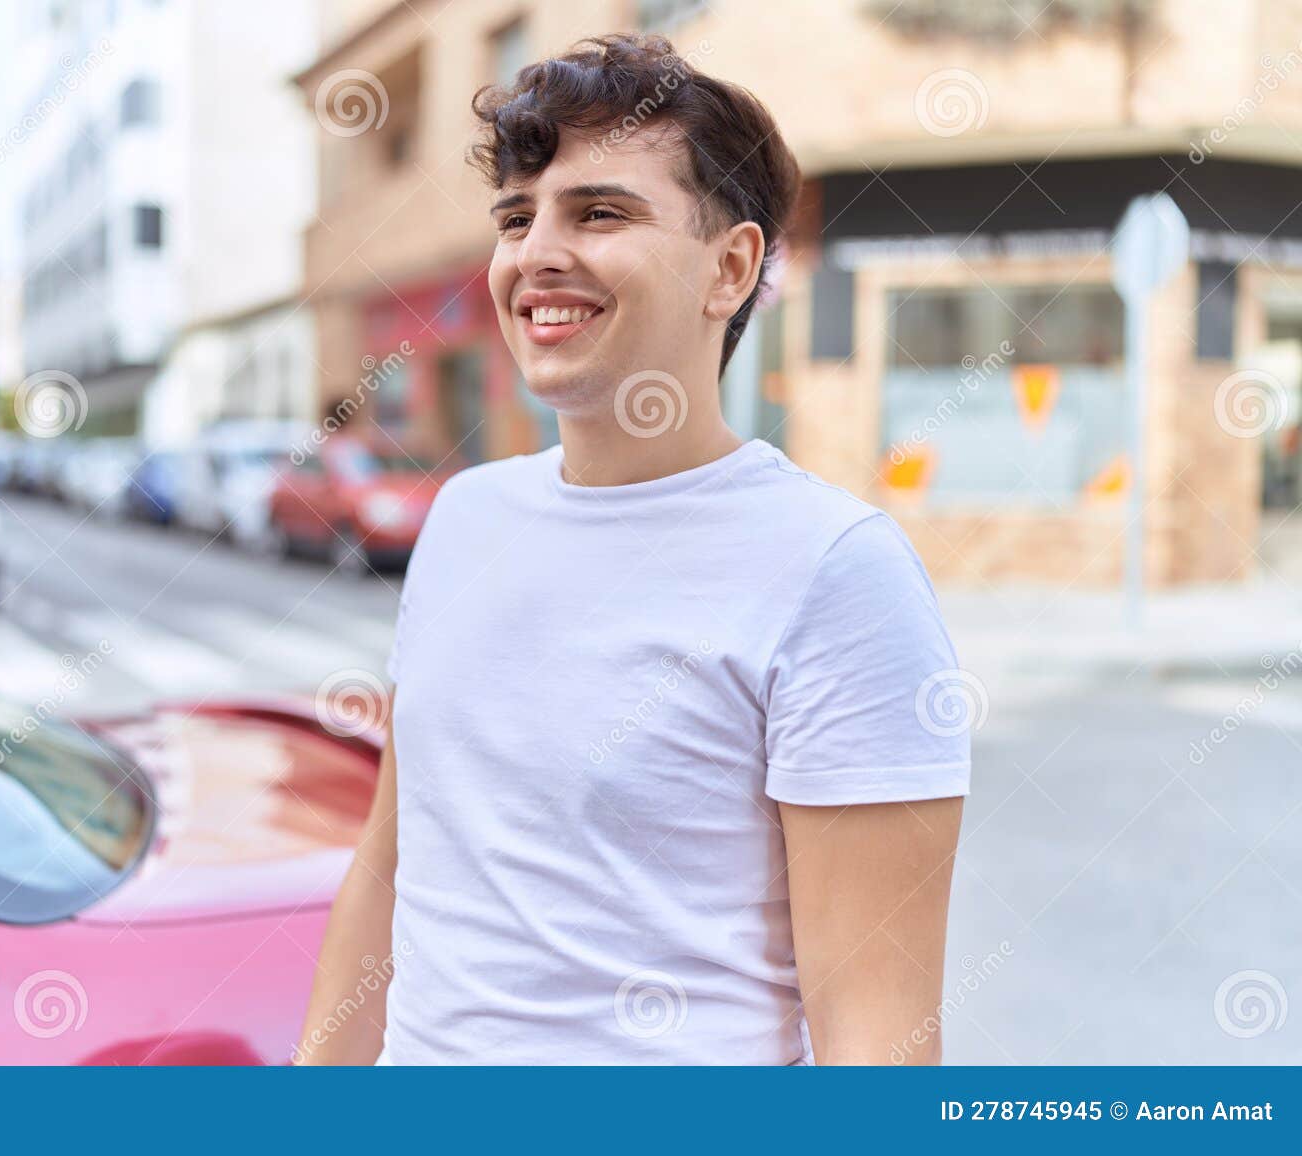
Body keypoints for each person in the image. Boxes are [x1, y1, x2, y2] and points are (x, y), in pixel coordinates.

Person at [298, 33, 970, 1065]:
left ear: (731, 266)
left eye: (600, 211)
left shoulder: (835, 571)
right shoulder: (467, 518)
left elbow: (875, 1041)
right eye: (516, 218)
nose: (534, 254)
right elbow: (391, 867)